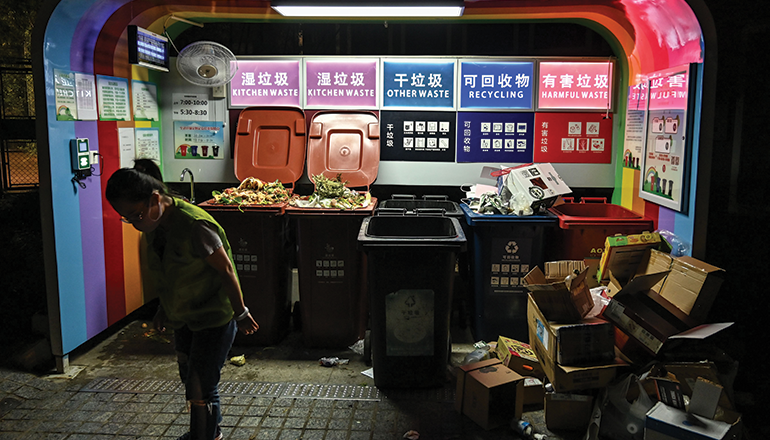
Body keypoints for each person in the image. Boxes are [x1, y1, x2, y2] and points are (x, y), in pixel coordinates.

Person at [105, 164, 259, 440]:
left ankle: (205, 436)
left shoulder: (194, 225)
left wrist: (241, 312)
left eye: (136, 215)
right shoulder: (156, 224)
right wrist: (164, 308)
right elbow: (169, 272)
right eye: (127, 218)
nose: (135, 224)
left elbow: (225, 270)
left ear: (155, 199)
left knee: (201, 387)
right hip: (185, 318)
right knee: (190, 378)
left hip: (213, 319)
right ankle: (209, 431)